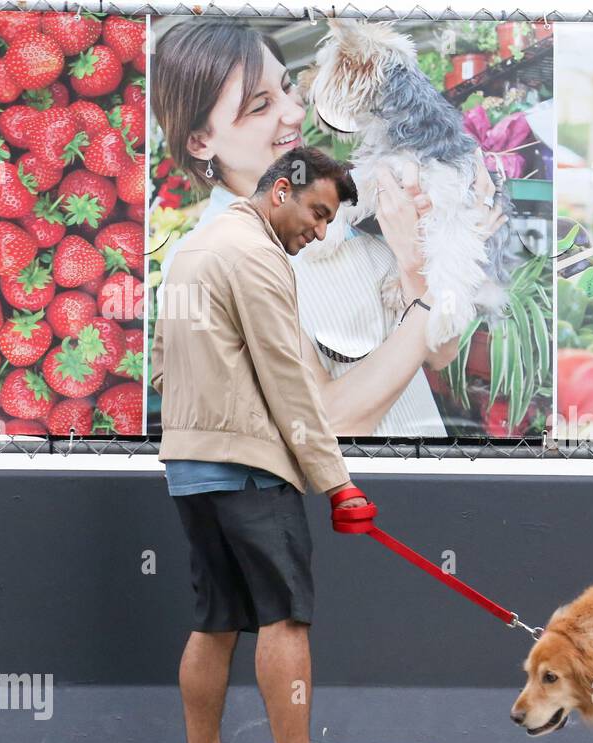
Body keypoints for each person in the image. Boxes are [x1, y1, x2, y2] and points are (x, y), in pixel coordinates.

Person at [150, 147, 391, 743]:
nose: (319, 232)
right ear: (280, 188)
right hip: (251, 467)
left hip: (190, 466)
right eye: (315, 212)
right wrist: (336, 481)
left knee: (216, 618)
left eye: (328, 220)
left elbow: (164, 366)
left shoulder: (192, 249)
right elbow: (289, 379)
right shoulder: (257, 258)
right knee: (284, 614)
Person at [152, 20, 504, 437]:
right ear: (199, 141)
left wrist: (419, 266)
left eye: (286, 87)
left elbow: (441, 352)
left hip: (425, 468)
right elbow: (324, 419)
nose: (295, 111)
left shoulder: (347, 197)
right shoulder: (211, 261)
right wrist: (430, 294)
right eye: (259, 106)